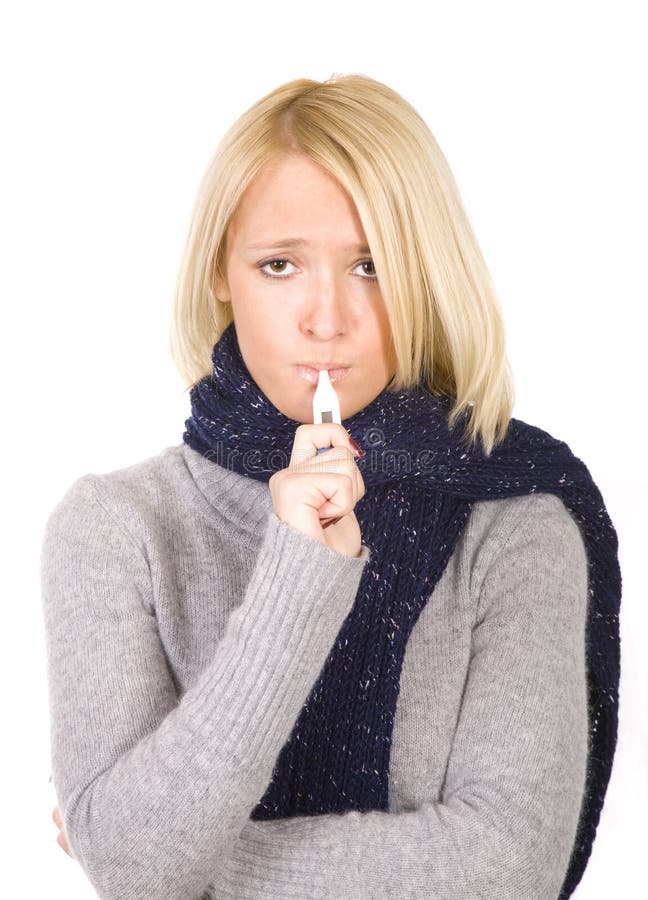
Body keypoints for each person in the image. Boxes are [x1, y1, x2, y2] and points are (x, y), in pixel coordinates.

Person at [42, 74, 621, 899]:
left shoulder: (515, 526)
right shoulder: (116, 528)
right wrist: (297, 578)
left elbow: (508, 870)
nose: (326, 319)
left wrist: (194, 867)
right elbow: (135, 864)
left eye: (371, 266)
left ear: (427, 274)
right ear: (218, 271)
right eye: (280, 264)